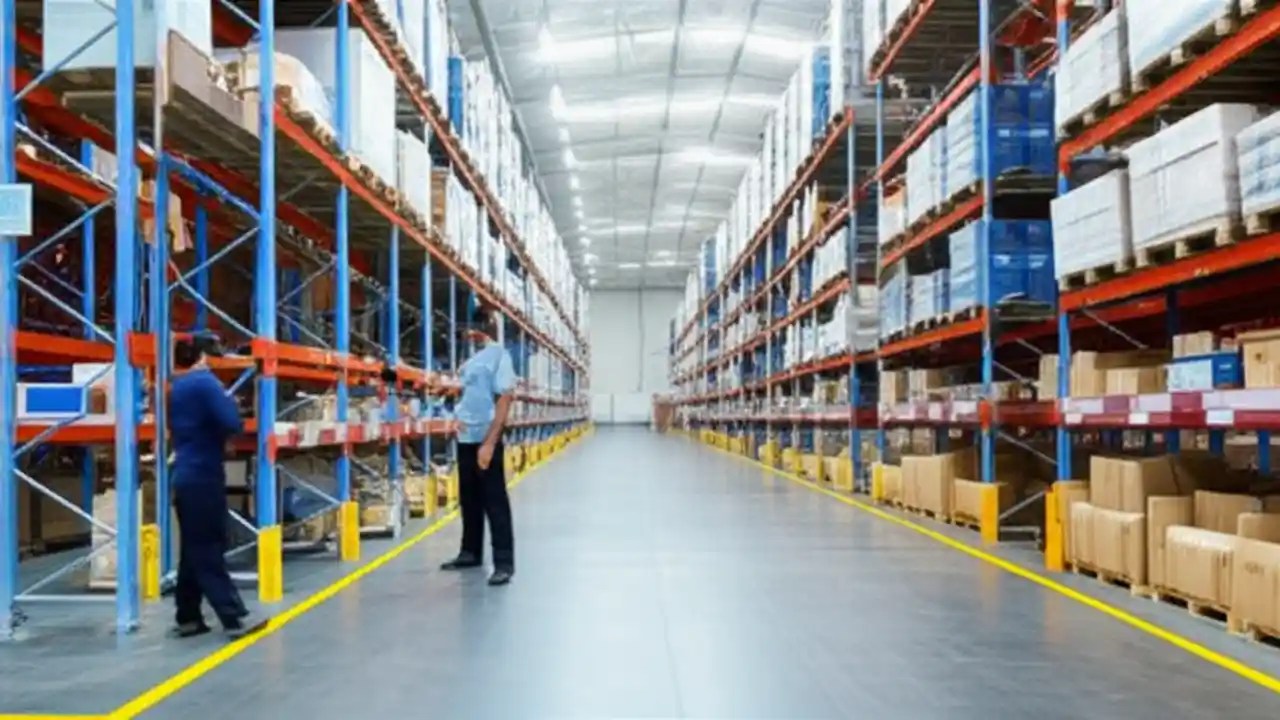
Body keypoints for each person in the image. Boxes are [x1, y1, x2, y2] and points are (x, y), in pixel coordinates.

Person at [168, 333, 262, 639]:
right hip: (204, 476)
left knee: (193, 548)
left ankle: (188, 617)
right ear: (204, 356)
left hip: (184, 475)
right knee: (209, 546)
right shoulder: (205, 383)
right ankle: (233, 617)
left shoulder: (178, 386)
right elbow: (231, 421)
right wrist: (231, 406)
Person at [439, 307, 518, 586]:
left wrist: (490, 443)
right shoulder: (471, 360)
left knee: (494, 501)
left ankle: (504, 563)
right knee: (469, 499)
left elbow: (504, 399)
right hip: (466, 437)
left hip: (485, 439)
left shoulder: (499, 356)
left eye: (470, 329)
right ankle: (470, 552)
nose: (466, 334)